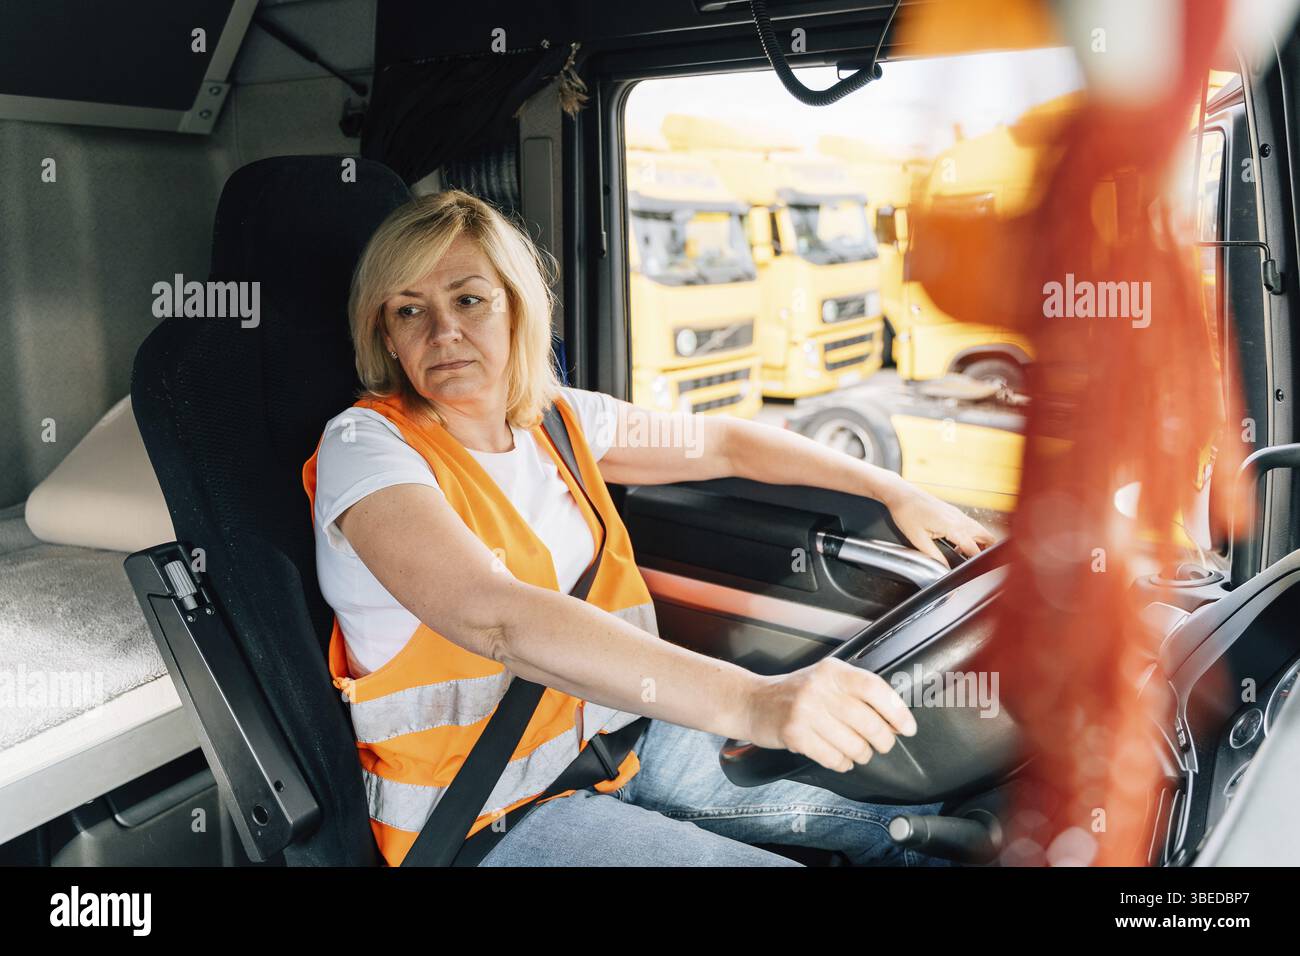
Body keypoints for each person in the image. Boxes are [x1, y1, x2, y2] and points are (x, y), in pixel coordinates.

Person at [301, 189, 995, 867]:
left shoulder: (556, 420)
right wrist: (755, 702)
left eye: (468, 299)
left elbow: (722, 443)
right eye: (409, 310)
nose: (443, 331)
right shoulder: (364, 447)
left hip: (622, 734)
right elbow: (492, 617)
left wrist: (889, 487)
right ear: (385, 334)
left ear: (517, 307)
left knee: (905, 819)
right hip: (487, 811)